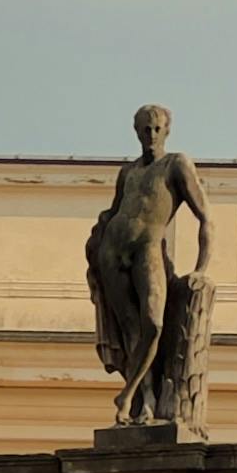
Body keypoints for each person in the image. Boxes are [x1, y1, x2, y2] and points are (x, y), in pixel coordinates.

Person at [83, 105, 213, 427]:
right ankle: (147, 398)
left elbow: (206, 218)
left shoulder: (176, 164)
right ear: (136, 132)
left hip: (147, 249)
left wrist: (200, 269)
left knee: (153, 323)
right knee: (130, 328)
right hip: (112, 251)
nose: (150, 135)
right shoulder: (128, 172)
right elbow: (115, 211)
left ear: (167, 130)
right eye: (144, 129)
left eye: (156, 128)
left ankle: (127, 394)